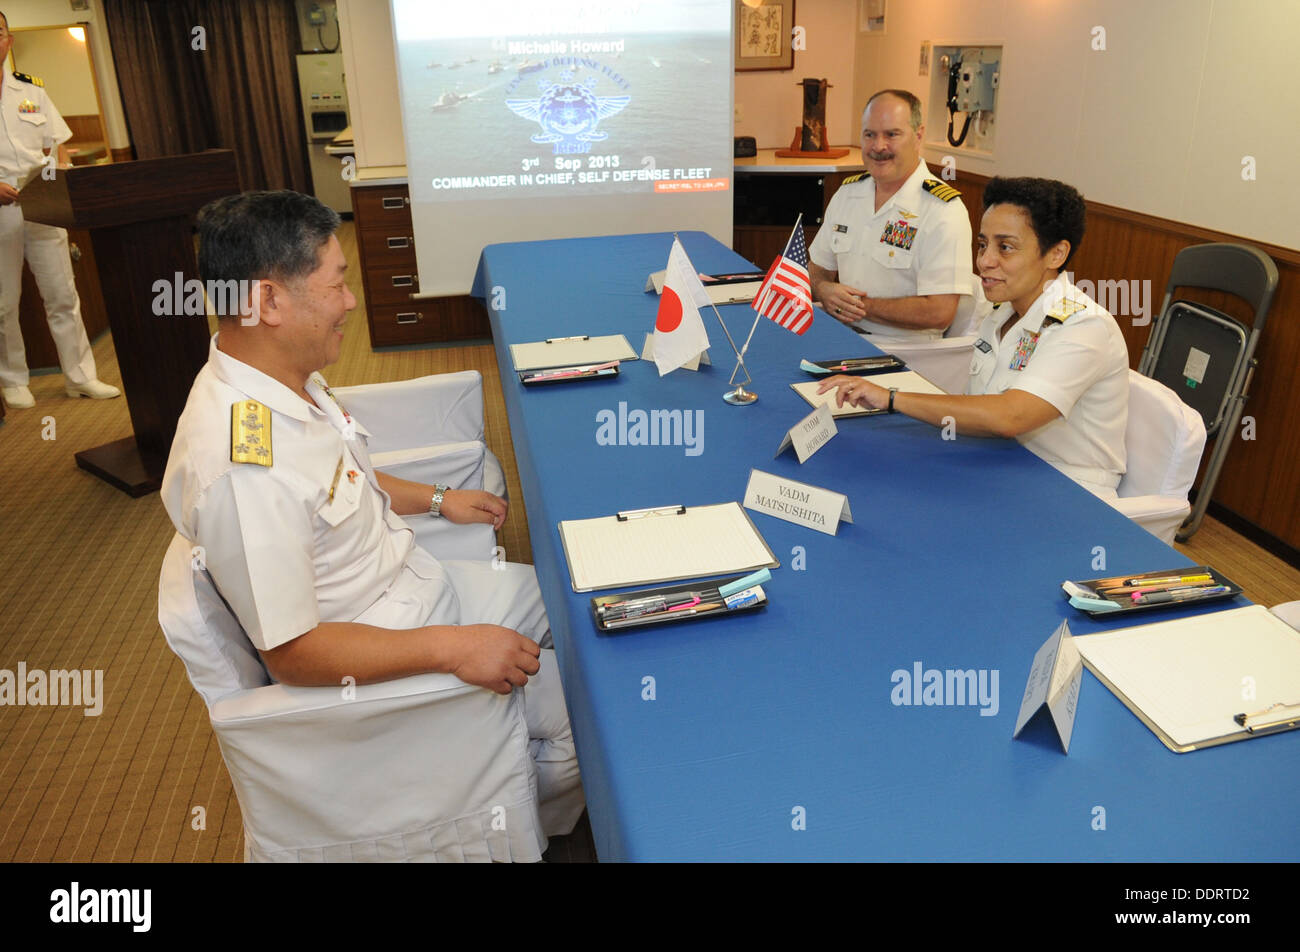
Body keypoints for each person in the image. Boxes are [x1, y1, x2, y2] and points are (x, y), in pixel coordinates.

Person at [160, 190, 583, 842]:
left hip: (412, 581)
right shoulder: (244, 467)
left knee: (576, 606)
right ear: (268, 302)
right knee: (592, 719)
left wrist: (438, 499)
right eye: (336, 284)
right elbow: (295, 653)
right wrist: (453, 648)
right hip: (385, 648)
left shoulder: (277, 376)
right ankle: (503, 825)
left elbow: (338, 478)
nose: (350, 303)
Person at [818, 176, 1129, 499]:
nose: (984, 261)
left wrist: (892, 398)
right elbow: (980, 407)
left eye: (1005, 248)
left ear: (1056, 254)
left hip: (1066, 493)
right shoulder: (1001, 314)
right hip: (998, 465)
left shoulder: (1083, 326)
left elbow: (1010, 416)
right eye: (983, 245)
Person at [0, 11, 119, 409]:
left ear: (8, 40)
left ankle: (80, 377)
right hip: (0, 210)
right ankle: (13, 380)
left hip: (43, 204)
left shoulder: (30, 91)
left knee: (63, 295)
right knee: (4, 301)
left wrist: (57, 173)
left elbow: (56, 143)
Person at [807, 88, 978, 343]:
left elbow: (939, 312)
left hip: (905, 353)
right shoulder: (847, 194)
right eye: (869, 135)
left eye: (892, 134)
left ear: (918, 135)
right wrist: (824, 289)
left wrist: (858, 306)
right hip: (842, 336)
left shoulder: (943, 210)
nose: (878, 146)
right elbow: (816, 268)